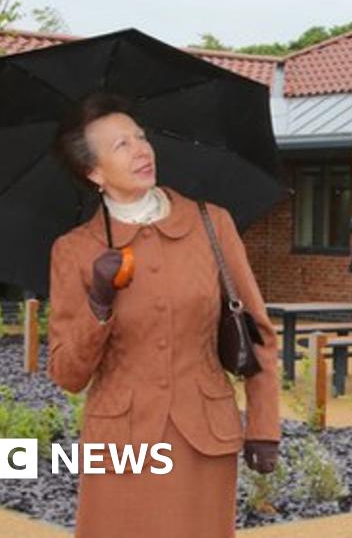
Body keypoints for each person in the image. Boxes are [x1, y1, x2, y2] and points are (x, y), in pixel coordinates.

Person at [48, 94, 281, 538]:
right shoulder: (74, 250)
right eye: (121, 145)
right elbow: (67, 374)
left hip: (203, 440)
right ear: (94, 172)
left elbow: (259, 333)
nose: (141, 150)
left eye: (141, 137)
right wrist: (99, 303)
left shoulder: (213, 224)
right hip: (119, 447)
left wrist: (264, 425)